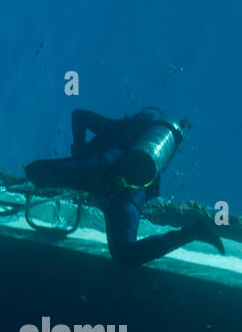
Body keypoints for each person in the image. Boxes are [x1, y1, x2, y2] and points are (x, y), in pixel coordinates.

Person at [24, 108, 225, 268]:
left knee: (34, 173)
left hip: (94, 171)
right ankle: (193, 232)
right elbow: (150, 188)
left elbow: (78, 115)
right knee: (124, 257)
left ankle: (193, 232)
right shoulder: (138, 152)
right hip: (128, 194)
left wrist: (80, 148)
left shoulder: (118, 130)